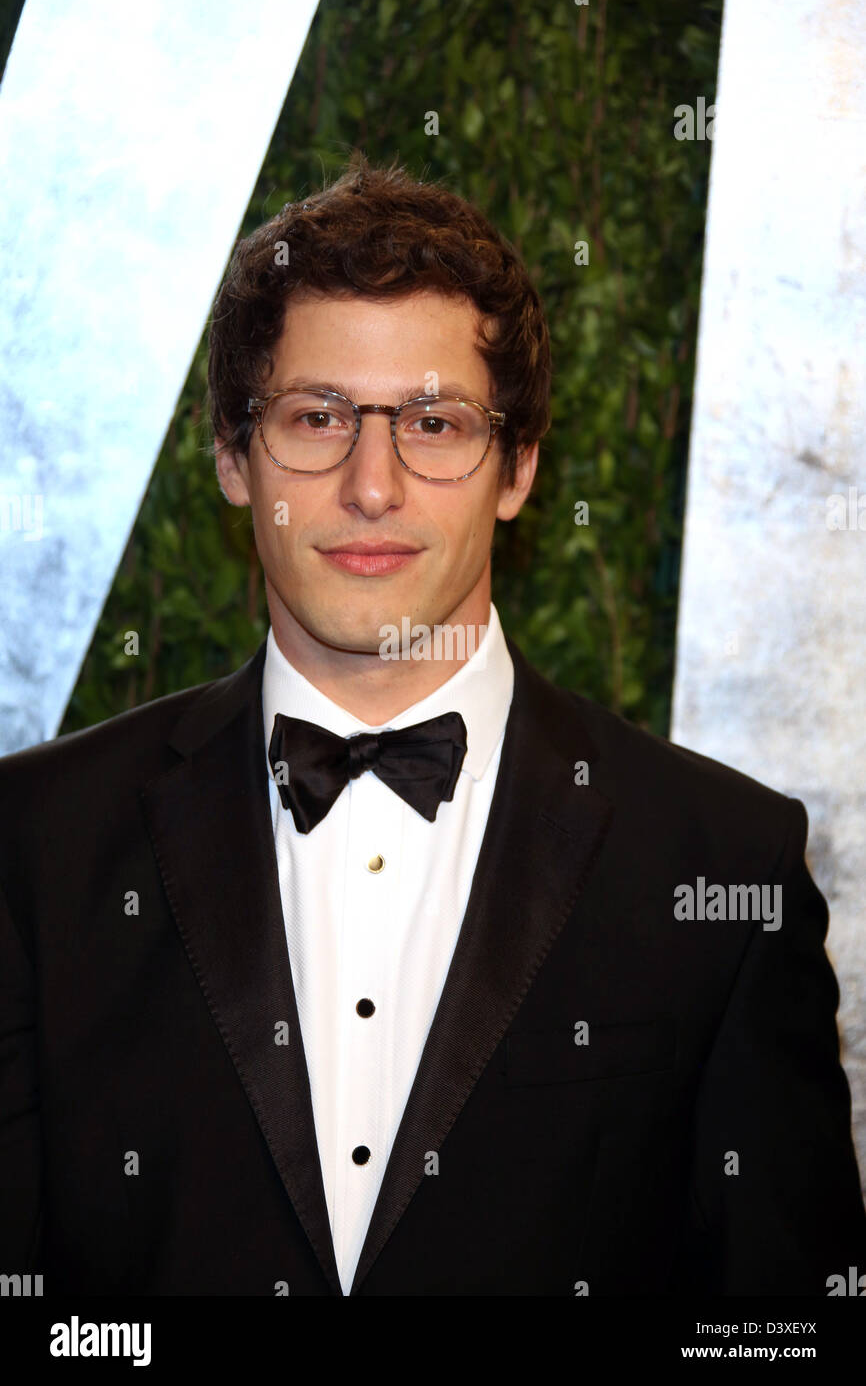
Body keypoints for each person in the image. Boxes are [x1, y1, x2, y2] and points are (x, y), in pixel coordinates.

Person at [1, 154, 864, 1298]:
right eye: (316, 416)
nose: (372, 484)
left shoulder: (717, 863)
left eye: (433, 421)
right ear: (228, 453)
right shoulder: (33, 845)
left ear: (515, 466)